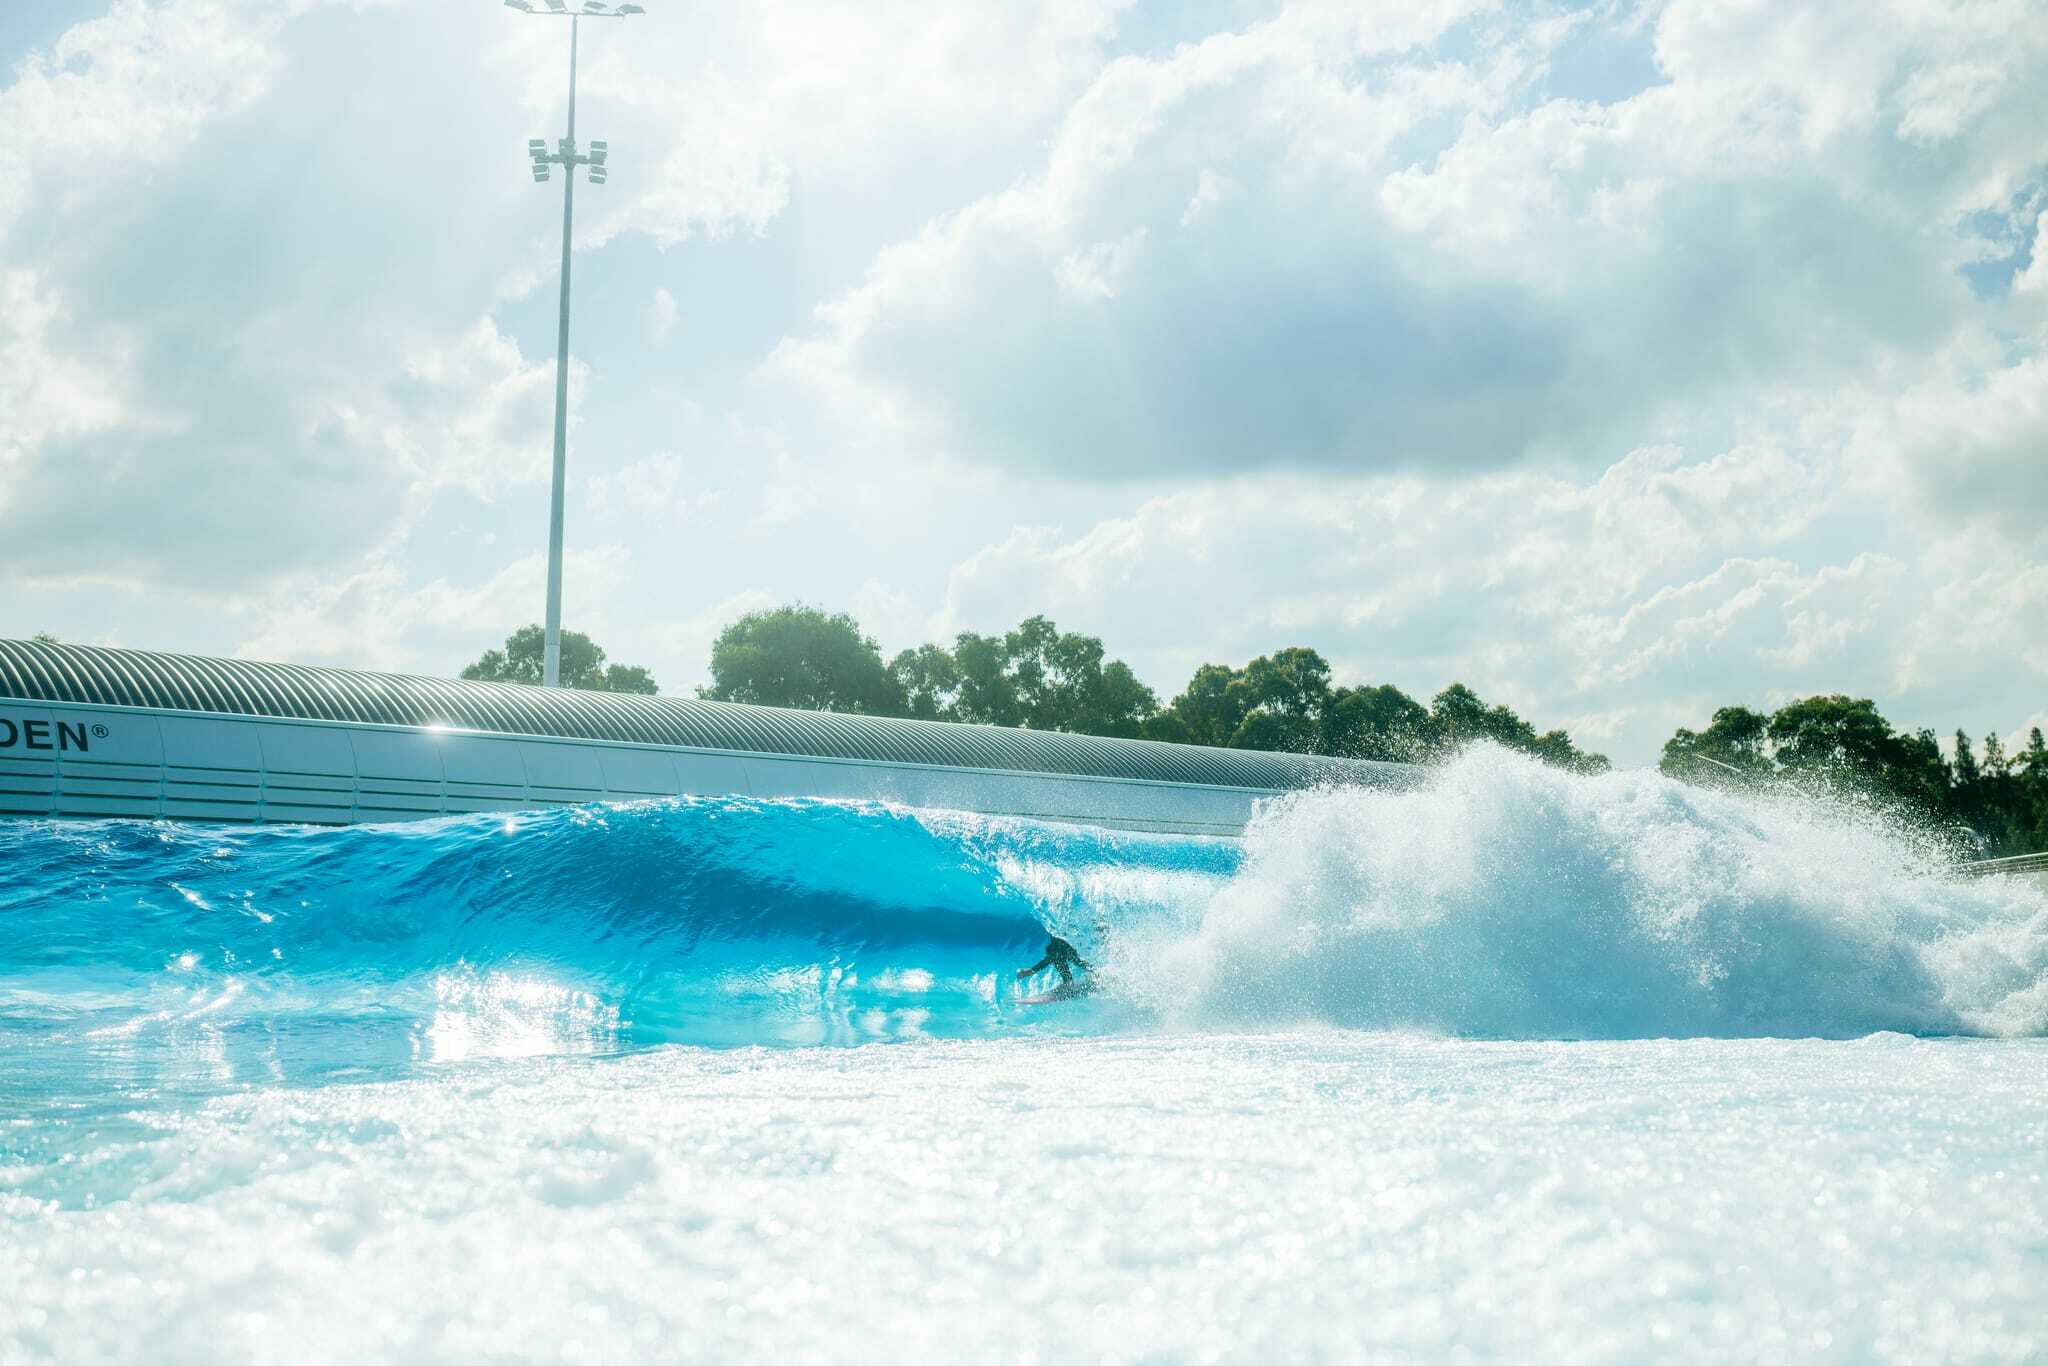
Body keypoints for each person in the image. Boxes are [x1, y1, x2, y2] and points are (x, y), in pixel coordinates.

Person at [1018, 933, 1090, 986]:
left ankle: (1069, 983)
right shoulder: (1054, 950)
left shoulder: (1054, 953)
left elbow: (1044, 963)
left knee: (1060, 959)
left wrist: (1031, 971)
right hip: (1062, 945)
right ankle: (1069, 983)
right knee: (1077, 962)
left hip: (1063, 946)